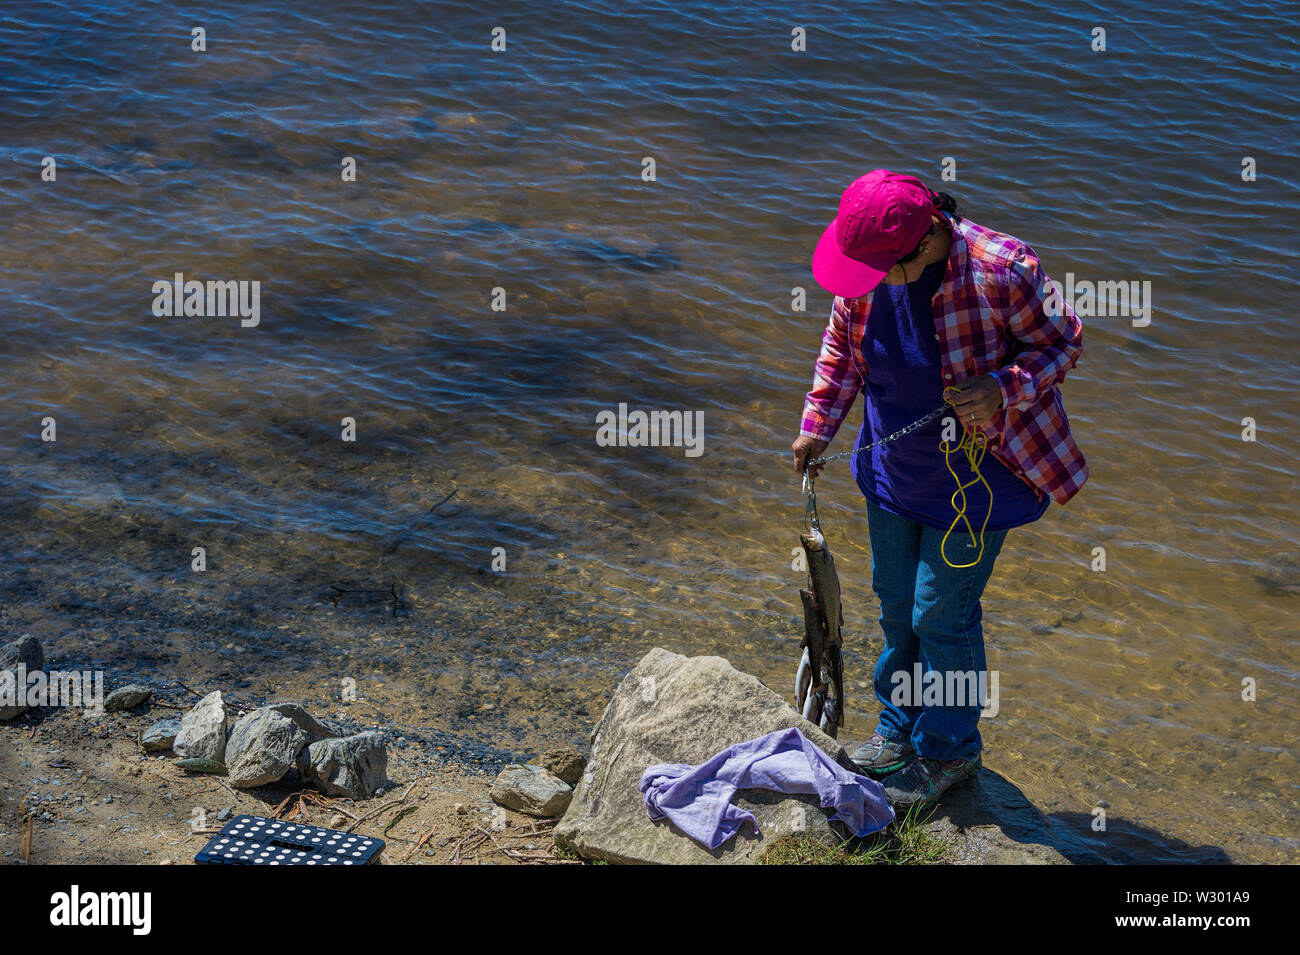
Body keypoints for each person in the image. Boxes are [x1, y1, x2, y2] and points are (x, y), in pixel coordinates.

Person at [791, 169, 1089, 810]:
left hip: (981, 478)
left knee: (941, 618)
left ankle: (951, 749)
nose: (869, 282)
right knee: (896, 606)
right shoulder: (868, 263)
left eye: (883, 270)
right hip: (893, 471)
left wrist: (1002, 387)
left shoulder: (1002, 268)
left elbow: (1064, 341)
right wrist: (818, 425)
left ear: (927, 238)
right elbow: (841, 350)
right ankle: (898, 729)